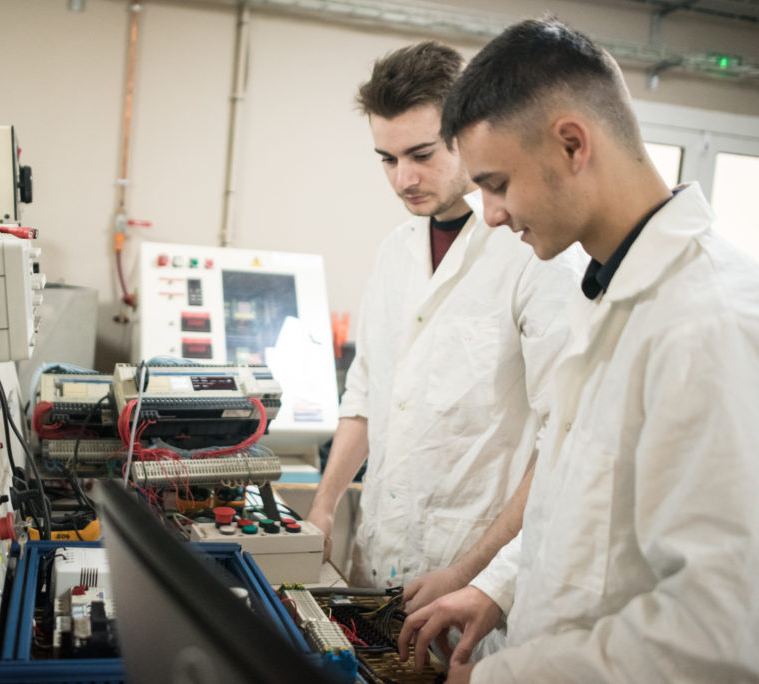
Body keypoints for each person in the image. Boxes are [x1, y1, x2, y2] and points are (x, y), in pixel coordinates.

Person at [397, 18, 759, 683]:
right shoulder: (605, 294)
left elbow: (716, 633)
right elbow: (577, 511)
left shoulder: (708, 323)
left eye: (497, 184)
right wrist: (498, 589)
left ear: (571, 143)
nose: (493, 214)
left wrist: (504, 678)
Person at [306, 42, 585, 605]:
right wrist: (323, 505)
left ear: (466, 131)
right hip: (380, 556)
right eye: (387, 159)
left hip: (476, 576)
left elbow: (565, 439)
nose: (403, 178)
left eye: (421, 154)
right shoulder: (394, 252)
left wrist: (470, 574)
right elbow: (365, 392)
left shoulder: (537, 253)